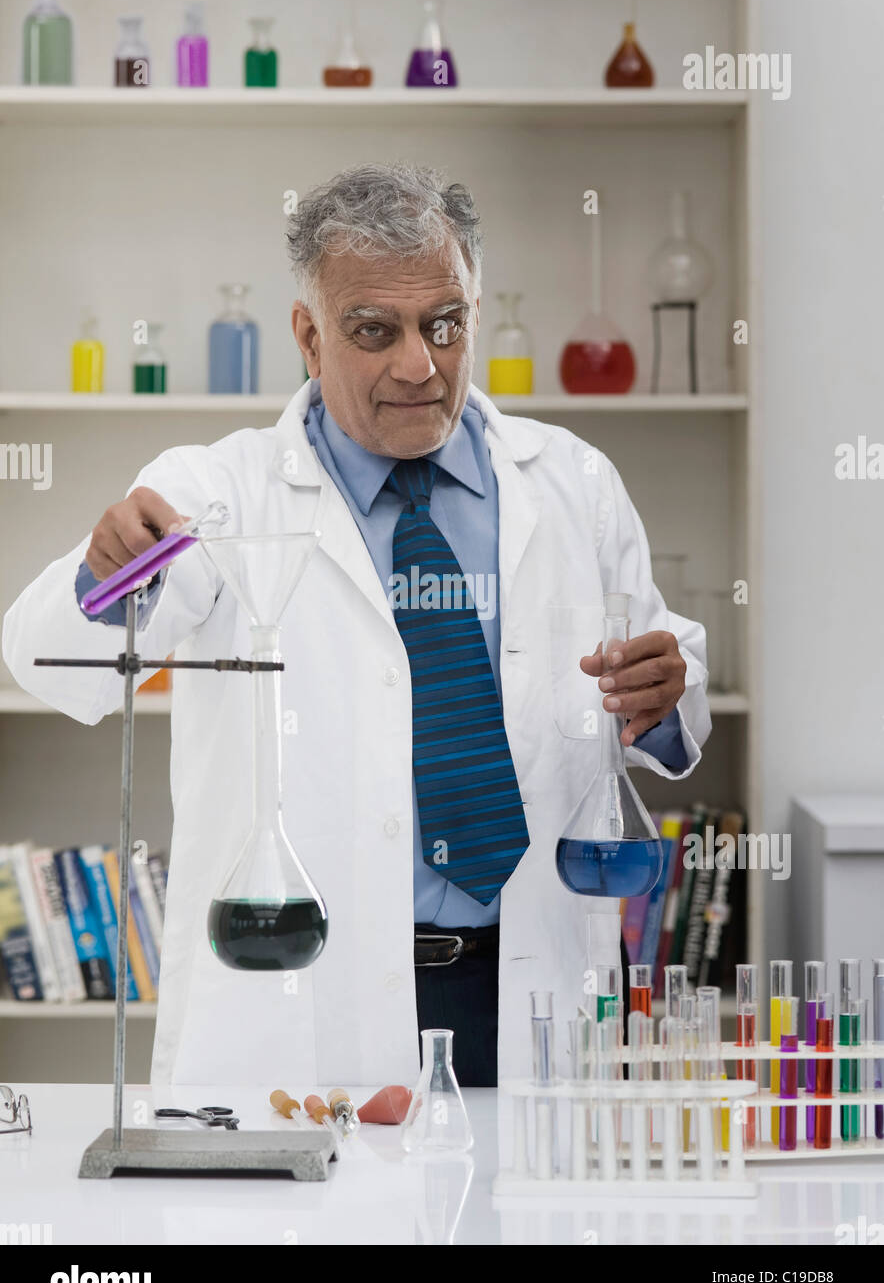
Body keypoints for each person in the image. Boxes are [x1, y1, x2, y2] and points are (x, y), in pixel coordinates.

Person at [2, 163, 710, 1087]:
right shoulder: (221, 493)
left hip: (532, 990)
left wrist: (664, 695)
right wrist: (101, 578)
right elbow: (53, 664)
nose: (418, 364)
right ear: (308, 335)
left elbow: (665, 693)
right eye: (375, 331)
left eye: (443, 325)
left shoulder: (572, 482)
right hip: (310, 998)